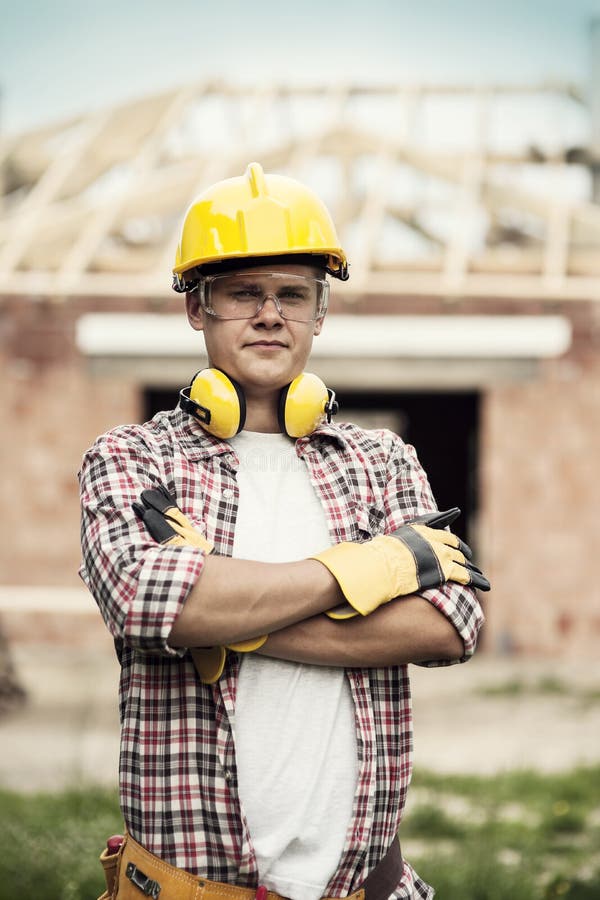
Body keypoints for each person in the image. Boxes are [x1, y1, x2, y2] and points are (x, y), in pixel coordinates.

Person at [79, 162, 489, 900]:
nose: (270, 314)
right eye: (244, 293)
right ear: (197, 310)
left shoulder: (382, 462)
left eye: (293, 295)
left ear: (319, 315)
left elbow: (449, 623)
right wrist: (374, 568)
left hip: (370, 889)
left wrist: (219, 612)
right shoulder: (132, 456)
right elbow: (149, 601)